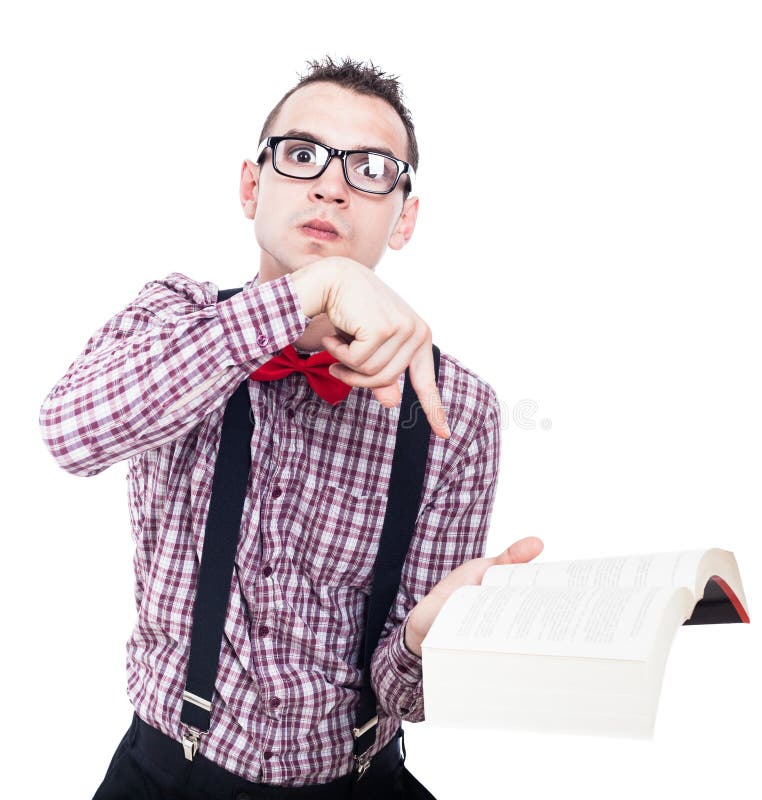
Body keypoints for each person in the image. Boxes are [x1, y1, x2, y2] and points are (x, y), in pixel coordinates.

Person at [39, 56, 543, 798]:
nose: (331, 186)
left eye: (371, 169)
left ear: (404, 218)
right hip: (166, 775)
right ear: (252, 187)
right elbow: (70, 432)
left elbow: (410, 698)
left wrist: (424, 639)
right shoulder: (175, 321)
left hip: (358, 781)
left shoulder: (456, 407)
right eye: (302, 155)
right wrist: (316, 286)